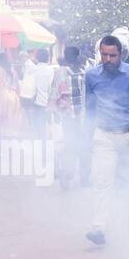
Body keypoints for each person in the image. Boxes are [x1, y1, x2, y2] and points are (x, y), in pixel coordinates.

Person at [84, 35, 129, 246]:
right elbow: (89, 108)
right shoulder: (91, 76)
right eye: (104, 54)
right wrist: (86, 134)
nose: (107, 59)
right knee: (102, 181)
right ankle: (99, 227)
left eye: (112, 55)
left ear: (121, 55)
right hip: (103, 135)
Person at [54, 46, 90, 191]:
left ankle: (77, 175)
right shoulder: (79, 72)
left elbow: (54, 92)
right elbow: (56, 92)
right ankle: (73, 175)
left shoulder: (75, 72)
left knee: (79, 145)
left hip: (76, 116)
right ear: (77, 55)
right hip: (73, 116)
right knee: (77, 146)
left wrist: (56, 113)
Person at [32, 48, 56, 138]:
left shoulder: (33, 69)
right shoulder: (50, 70)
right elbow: (52, 88)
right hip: (47, 103)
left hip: (35, 102)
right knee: (48, 125)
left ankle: (40, 145)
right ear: (47, 58)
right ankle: (47, 145)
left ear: (37, 58)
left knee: (38, 127)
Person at [18, 50, 38, 133]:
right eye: (20, 58)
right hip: (25, 92)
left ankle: (31, 126)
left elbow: (31, 80)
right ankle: (29, 126)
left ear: (25, 57)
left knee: (29, 110)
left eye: (21, 57)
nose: (20, 59)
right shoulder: (25, 65)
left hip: (29, 92)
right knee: (26, 110)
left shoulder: (31, 66)